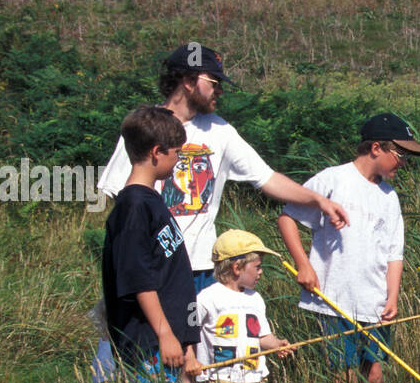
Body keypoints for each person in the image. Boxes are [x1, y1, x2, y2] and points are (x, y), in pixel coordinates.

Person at [97, 43, 351, 293]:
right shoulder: (144, 128)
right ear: (188, 80)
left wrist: (318, 201)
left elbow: (267, 178)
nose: (220, 91)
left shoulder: (220, 132)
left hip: (201, 267)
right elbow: (121, 200)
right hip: (153, 265)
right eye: (214, 83)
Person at [278, 113, 420, 383]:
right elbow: (287, 219)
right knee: (342, 377)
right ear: (376, 148)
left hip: (375, 305)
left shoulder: (390, 196)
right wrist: (304, 265)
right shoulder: (333, 179)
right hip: (335, 302)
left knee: (375, 374)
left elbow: (394, 253)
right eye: (401, 154)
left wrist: (392, 297)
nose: (405, 162)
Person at [101, 105, 203, 383]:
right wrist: (164, 334)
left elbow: (171, 276)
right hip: (148, 343)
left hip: (169, 341)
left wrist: (186, 342)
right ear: (157, 152)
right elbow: (138, 278)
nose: (178, 161)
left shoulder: (152, 201)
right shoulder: (132, 206)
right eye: (176, 153)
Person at [195, 230, 292, 383]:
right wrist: (189, 360)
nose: (261, 272)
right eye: (257, 267)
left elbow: (262, 336)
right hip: (222, 382)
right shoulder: (206, 298)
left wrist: (277, 344)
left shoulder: (255, 299)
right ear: (237, 267)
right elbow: (187, 332)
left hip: (256, 381)